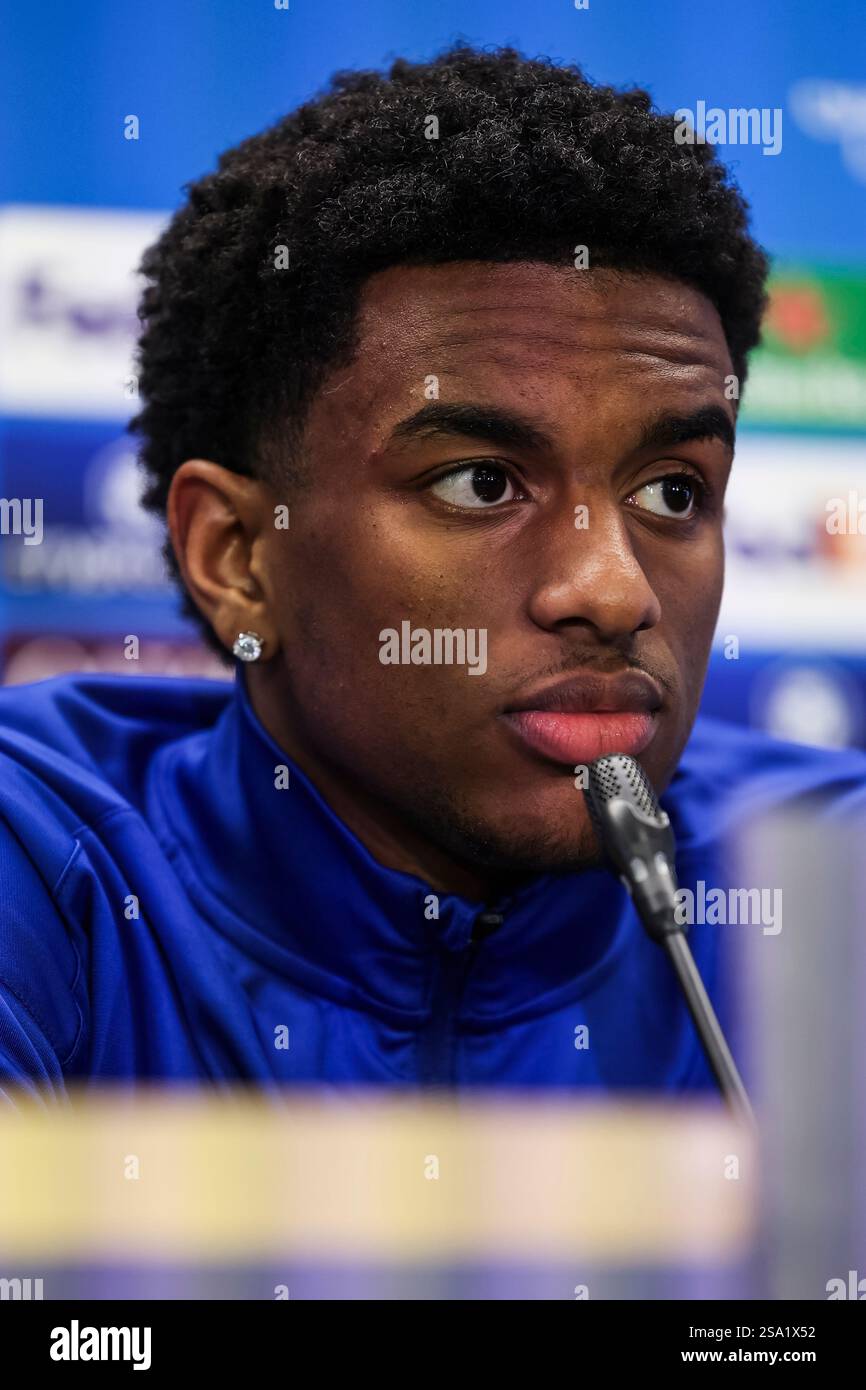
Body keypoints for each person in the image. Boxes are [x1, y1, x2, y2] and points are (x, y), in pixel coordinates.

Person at [1, 44, 863, 1102]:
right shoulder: (45, 862)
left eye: (671, 491)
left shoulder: (830, 882)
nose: (611, 591)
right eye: (477, 483)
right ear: (235, 557)